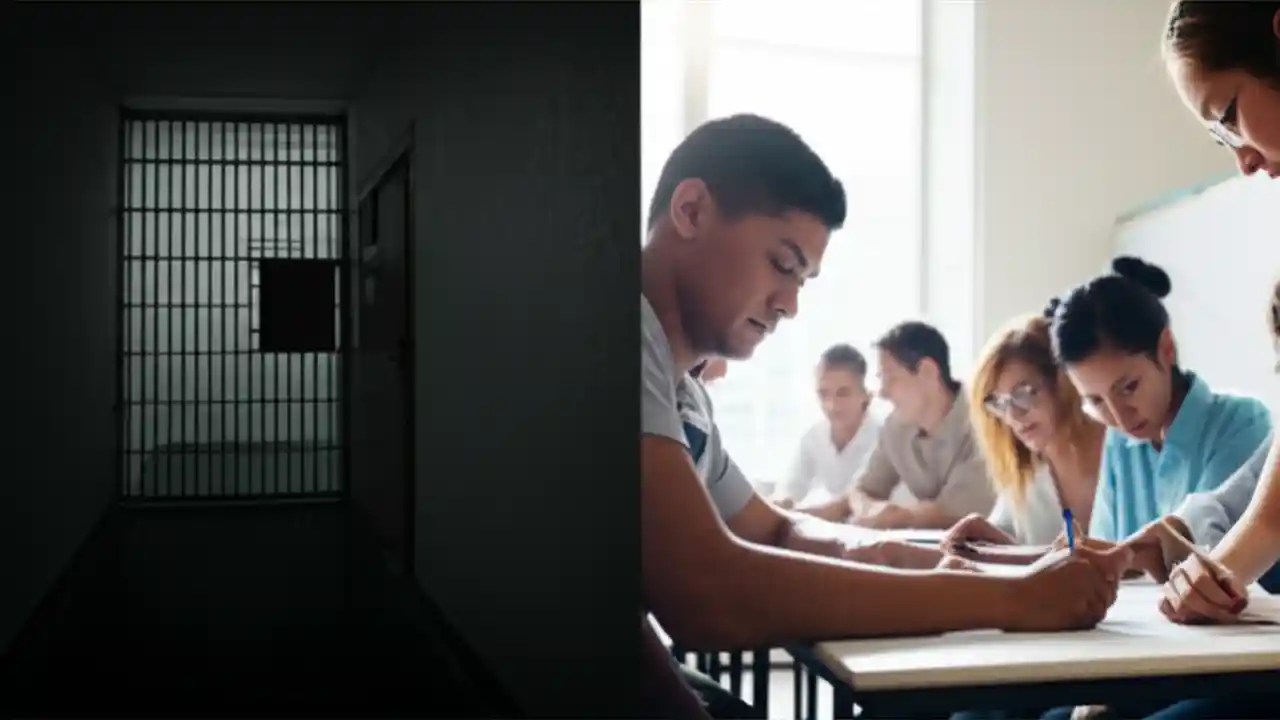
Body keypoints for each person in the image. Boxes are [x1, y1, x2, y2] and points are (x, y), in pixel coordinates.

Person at [640, 113, 1129, 717]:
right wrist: (1009, 601)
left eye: (803, 279)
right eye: (783, 263)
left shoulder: (682, 394)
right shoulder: (624, 338)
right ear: (691, 210)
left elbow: (778, 531)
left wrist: (997, 569)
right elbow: (709, 593)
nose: (790, 304)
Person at [1047, 256, 1272, 545]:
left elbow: (1214, 553)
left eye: (1128, 387)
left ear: (1166, 349)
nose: (1120, 418)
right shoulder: (1121, 442)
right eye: (1096, 401)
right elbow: (1106, 549)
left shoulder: (1241, 423)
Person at [801, 322, 996, 529]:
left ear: (927, 371)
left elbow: (956, 513)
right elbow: (862, 491)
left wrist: (896, 515)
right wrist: (868, 509)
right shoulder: (896, 428)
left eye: (890, 378)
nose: (882, 392)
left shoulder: (986, 424)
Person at [942, 313, 1106, 558]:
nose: (1013, 416)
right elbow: (1013, 547)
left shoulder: (1123, 451)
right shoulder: (1026, 475)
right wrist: (992, 543)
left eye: (1023, 394)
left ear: (1062, 381)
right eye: (999, 403)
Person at [773, 344, 882, 509]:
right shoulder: (814, 436)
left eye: (843, 393)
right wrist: (782, 501)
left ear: (866, 392)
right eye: (823, 394)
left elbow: (850, 505)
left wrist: (794, 513)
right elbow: (791, 485)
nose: (831, 405)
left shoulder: (885, 437)